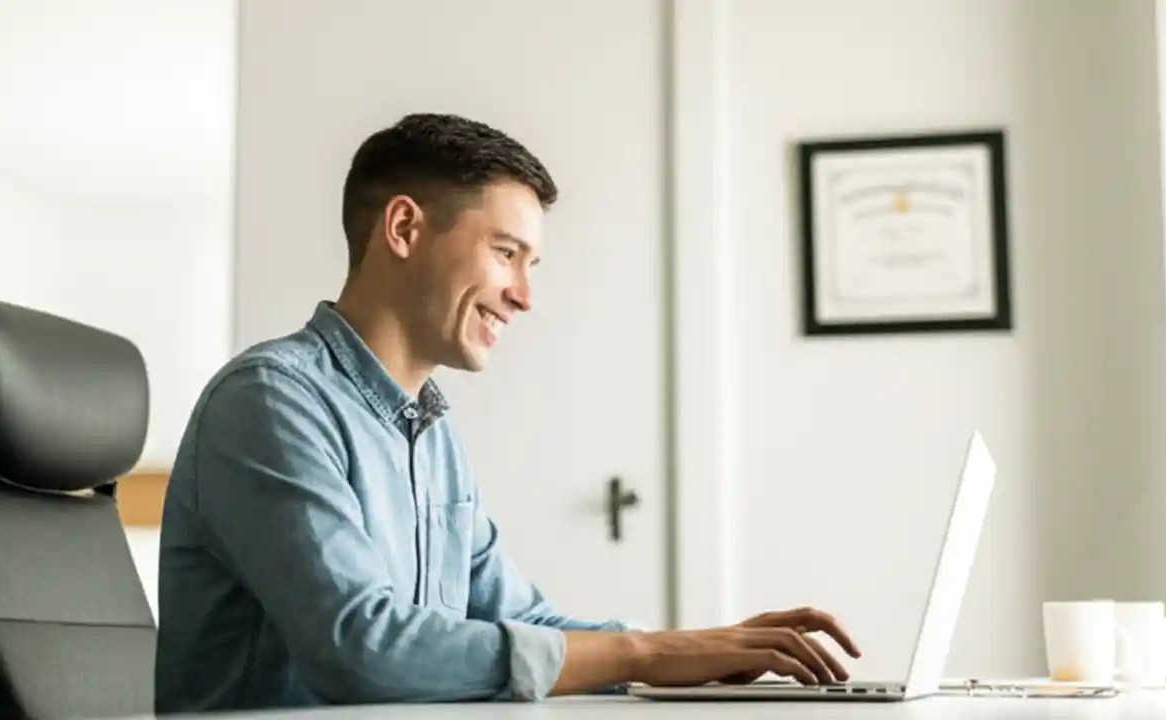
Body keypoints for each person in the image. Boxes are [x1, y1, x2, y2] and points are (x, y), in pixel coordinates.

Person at [154, 113, 861, 712]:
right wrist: (648, 652)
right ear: (404, 228)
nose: (524, 296)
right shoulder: (271, 402)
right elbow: (361, 648)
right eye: (505, 253)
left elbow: (521, 620)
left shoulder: (430, 431)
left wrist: (698, 650)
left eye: (531, 266)